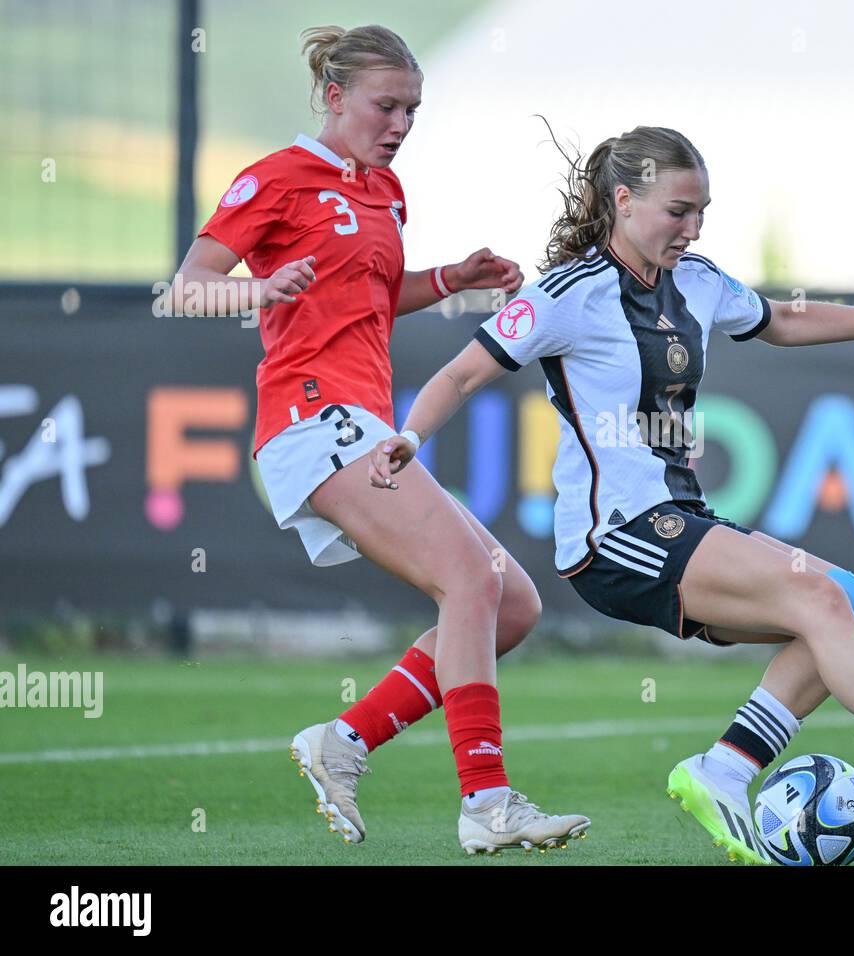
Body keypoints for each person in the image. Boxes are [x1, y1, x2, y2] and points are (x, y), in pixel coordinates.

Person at [370, 125, 854, 864]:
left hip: (679, 517)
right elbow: (460, 375)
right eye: (679, 210)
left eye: (702, 210)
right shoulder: (567, 293)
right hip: (617, 537)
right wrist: (411, 438)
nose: (693, 227)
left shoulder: (697, 281)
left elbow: (783, 320)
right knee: (821, 602)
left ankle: (724, 770)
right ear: (624, 199)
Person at [170, 24, 589, 855]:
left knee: (511, 604)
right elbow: (188, 289)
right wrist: (258, 288)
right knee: (468, 578)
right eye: (385, 105)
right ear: (334, 96)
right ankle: (487, 800)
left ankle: (345, 741)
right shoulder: (277, 178)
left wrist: (452, 281)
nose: (400, 123)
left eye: (413, 109)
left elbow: (371, 297)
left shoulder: (384, 192)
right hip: (310, 416)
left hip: (361, 417)